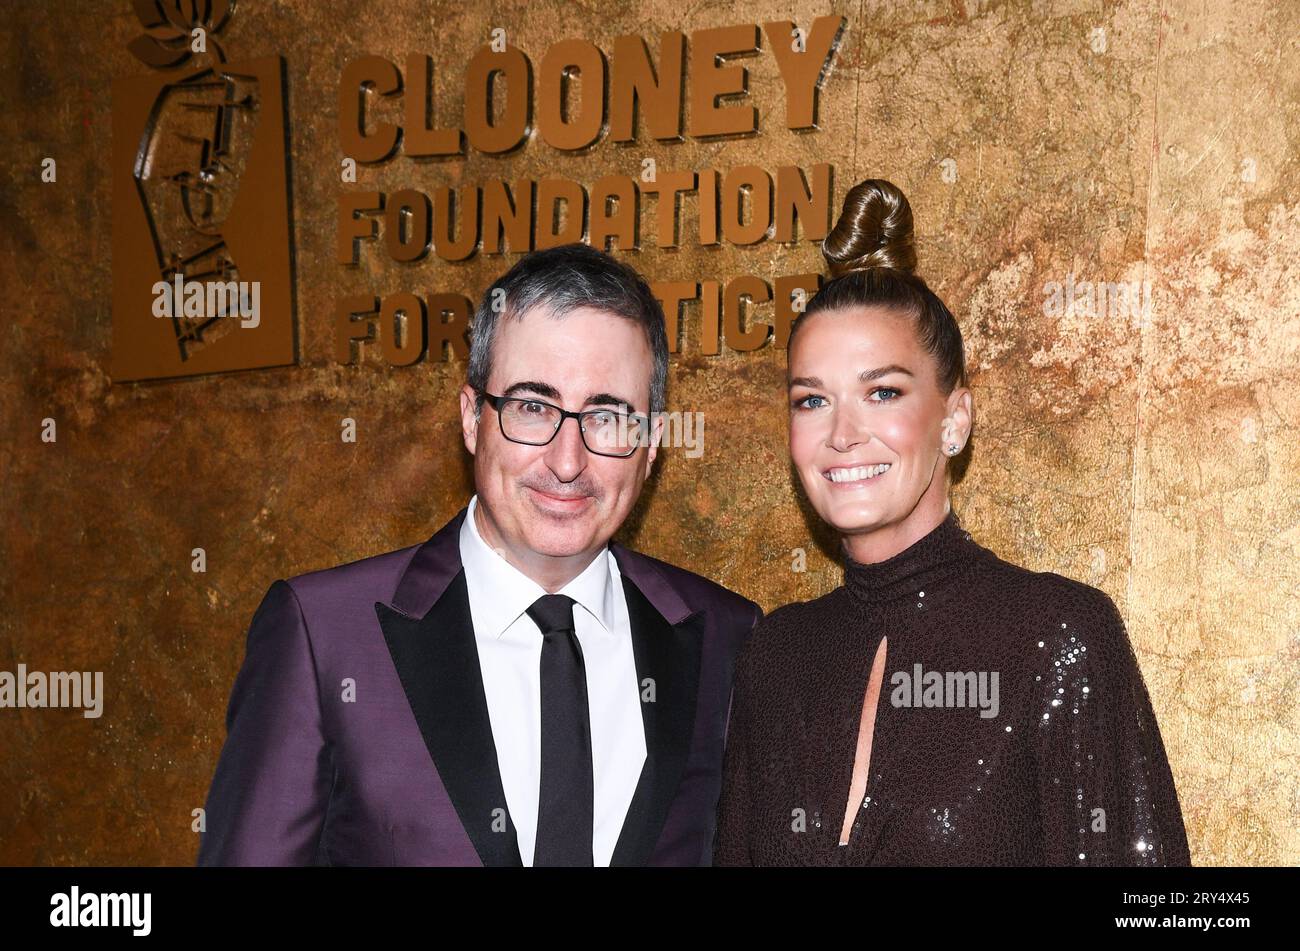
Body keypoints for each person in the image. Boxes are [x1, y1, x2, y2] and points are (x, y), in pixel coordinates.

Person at [198, 243, 760, 866]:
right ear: (472, 419)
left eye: (607, 416)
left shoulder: (727, 639)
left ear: (652, 442)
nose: (567, 461)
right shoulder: (324, 636)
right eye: (532, 407)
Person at [714, 180, 1190, 866]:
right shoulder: (777, 654)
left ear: (955, 420)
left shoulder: (1056, 636)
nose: (843, 434)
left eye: (883, 392)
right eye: (812, 400)